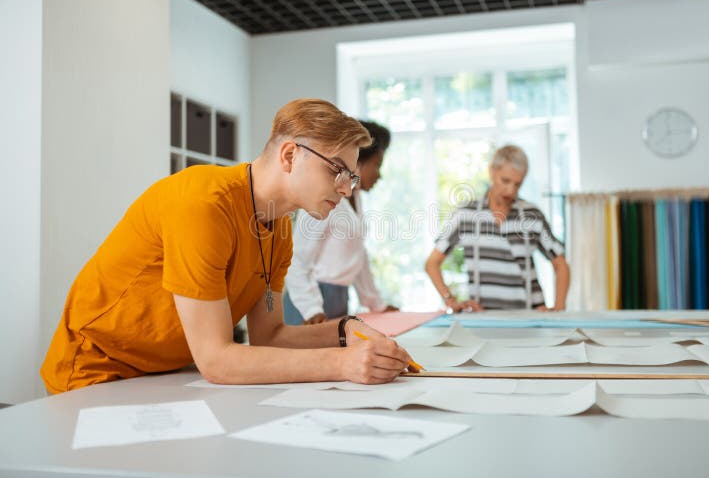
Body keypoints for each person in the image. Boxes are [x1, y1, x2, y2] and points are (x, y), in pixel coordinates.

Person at [41, 99, 414, 393]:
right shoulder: (203, 205)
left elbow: (270, 335)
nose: (347, 189)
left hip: (166, 373)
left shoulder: (279, 229)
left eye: (352, 177)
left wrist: (346, 330)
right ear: (289, 156)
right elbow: (216, 360)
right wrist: (341, 363)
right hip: (99, 370)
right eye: (337, 171)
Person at [425, 145, 570, 312]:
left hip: (530, 316)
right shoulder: (465, 214)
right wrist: (450, 300)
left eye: (517, 184)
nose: (511, 190)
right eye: (505, 181)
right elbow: (431, 264)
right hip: (483, 316)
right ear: (491, 171)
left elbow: (561, 265)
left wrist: (558, 310)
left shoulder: (532, 215)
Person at [283, 120, 399, 325]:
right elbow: (297, 260)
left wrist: (376, 304)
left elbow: (358, 257)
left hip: (339, 298)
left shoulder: (356, 201)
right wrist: (311, 309)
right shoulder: (325, 199)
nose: (379, 175)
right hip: (308, 303)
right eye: (377, 165)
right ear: (357, 162)